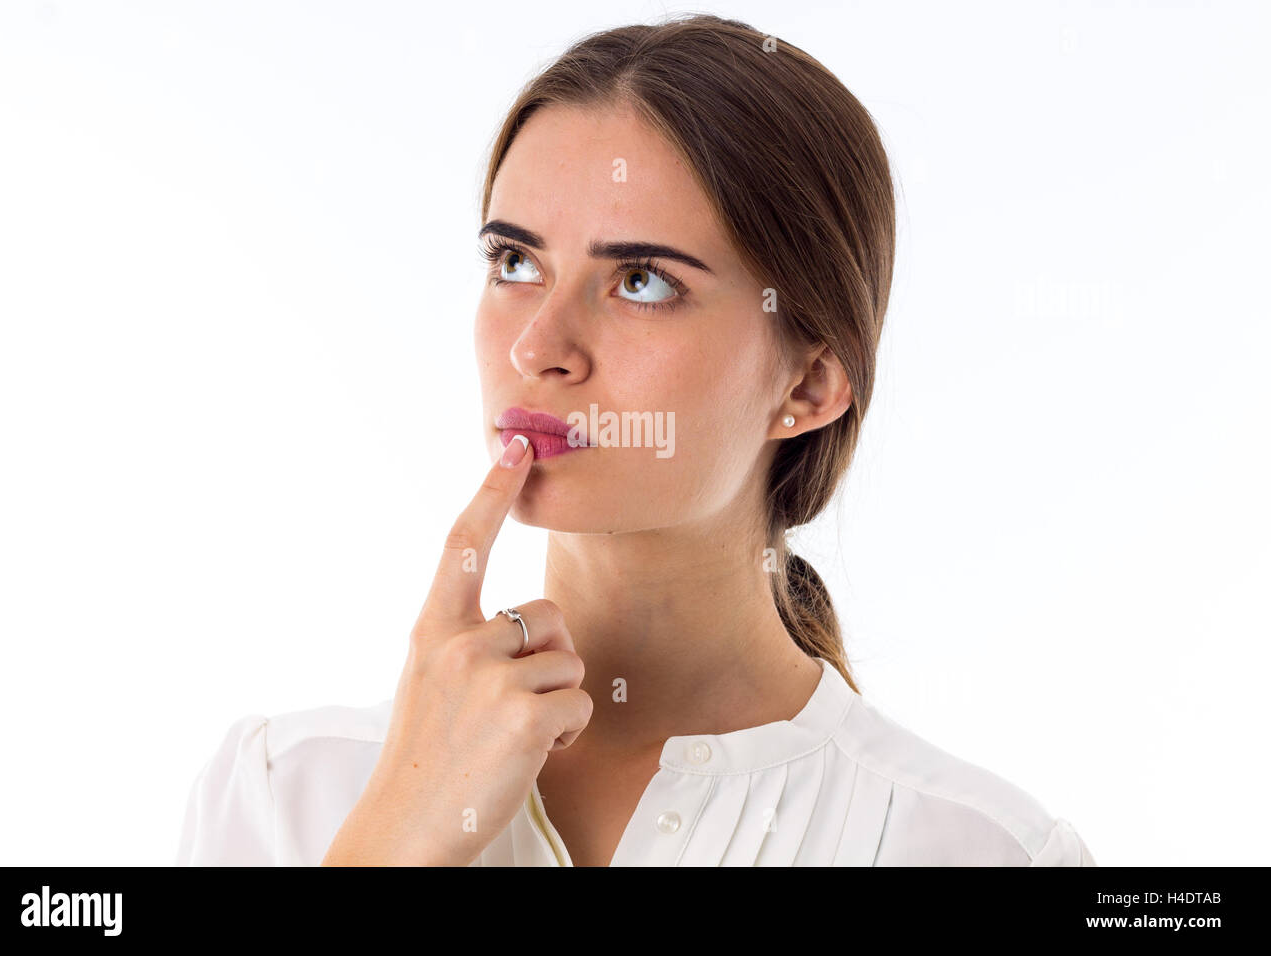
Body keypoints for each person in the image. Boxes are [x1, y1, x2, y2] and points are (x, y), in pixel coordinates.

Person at [175, 13, 1095, 867]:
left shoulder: (981, 851)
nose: (538, 347)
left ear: (810, 384)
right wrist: (402, 831)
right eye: (515, 262)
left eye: (643, 281)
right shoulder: (282, 793)